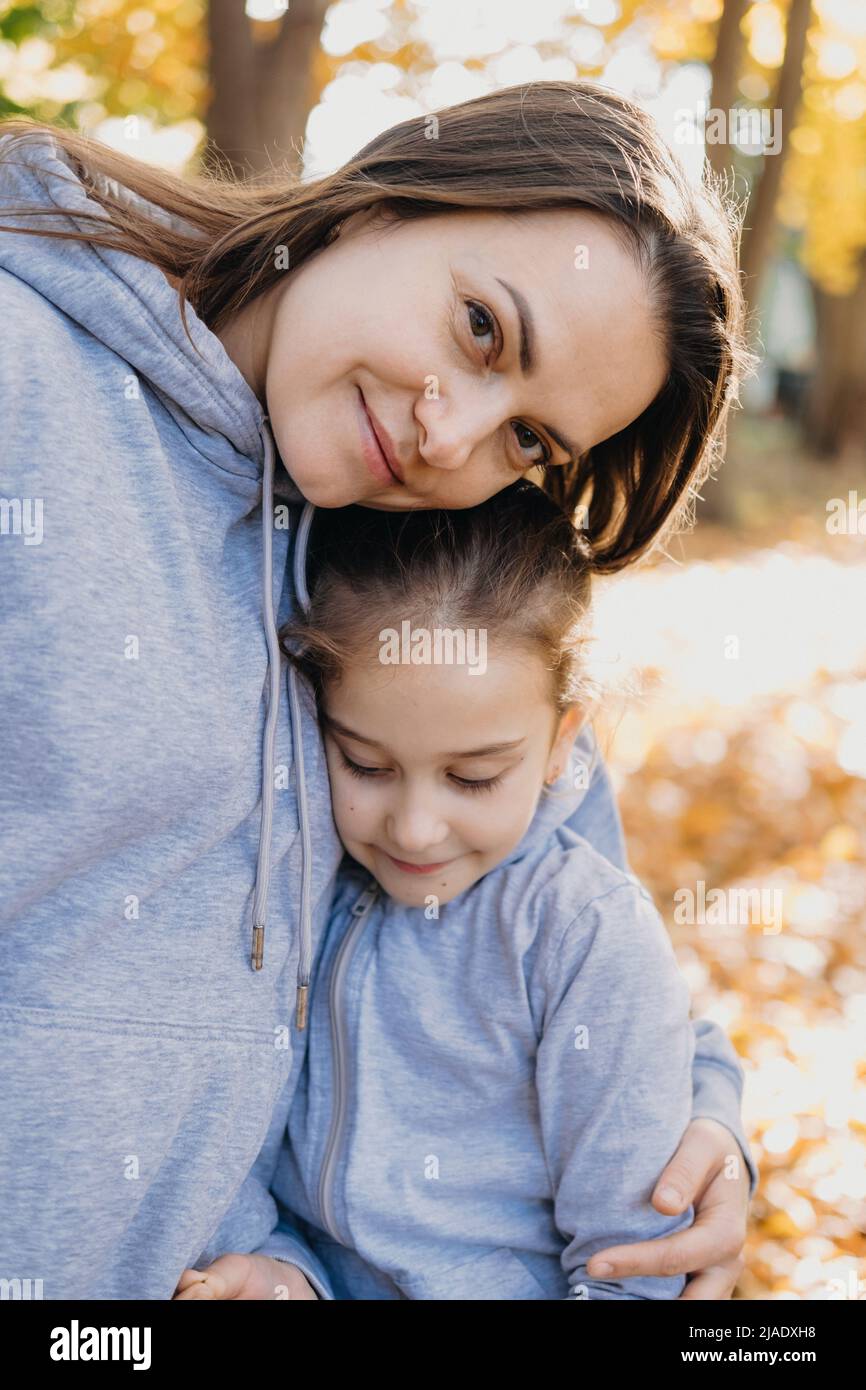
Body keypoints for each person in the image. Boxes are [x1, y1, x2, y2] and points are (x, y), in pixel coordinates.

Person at [0, 80, 753, 1301]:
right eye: (478, 328)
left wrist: (704, 1116)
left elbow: (563, 919)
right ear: (381, 201)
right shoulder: (25, 381)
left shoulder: (415, 576)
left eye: (529, 441)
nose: (453, 439)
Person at [174, 485, 754, 1301]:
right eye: (366, 766)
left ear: (562, 742)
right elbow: (319, 1225)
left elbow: (634, 1270)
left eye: (473, 777)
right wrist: (283, 1280)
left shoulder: (584, 939)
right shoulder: (314, 885)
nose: (413, 830)